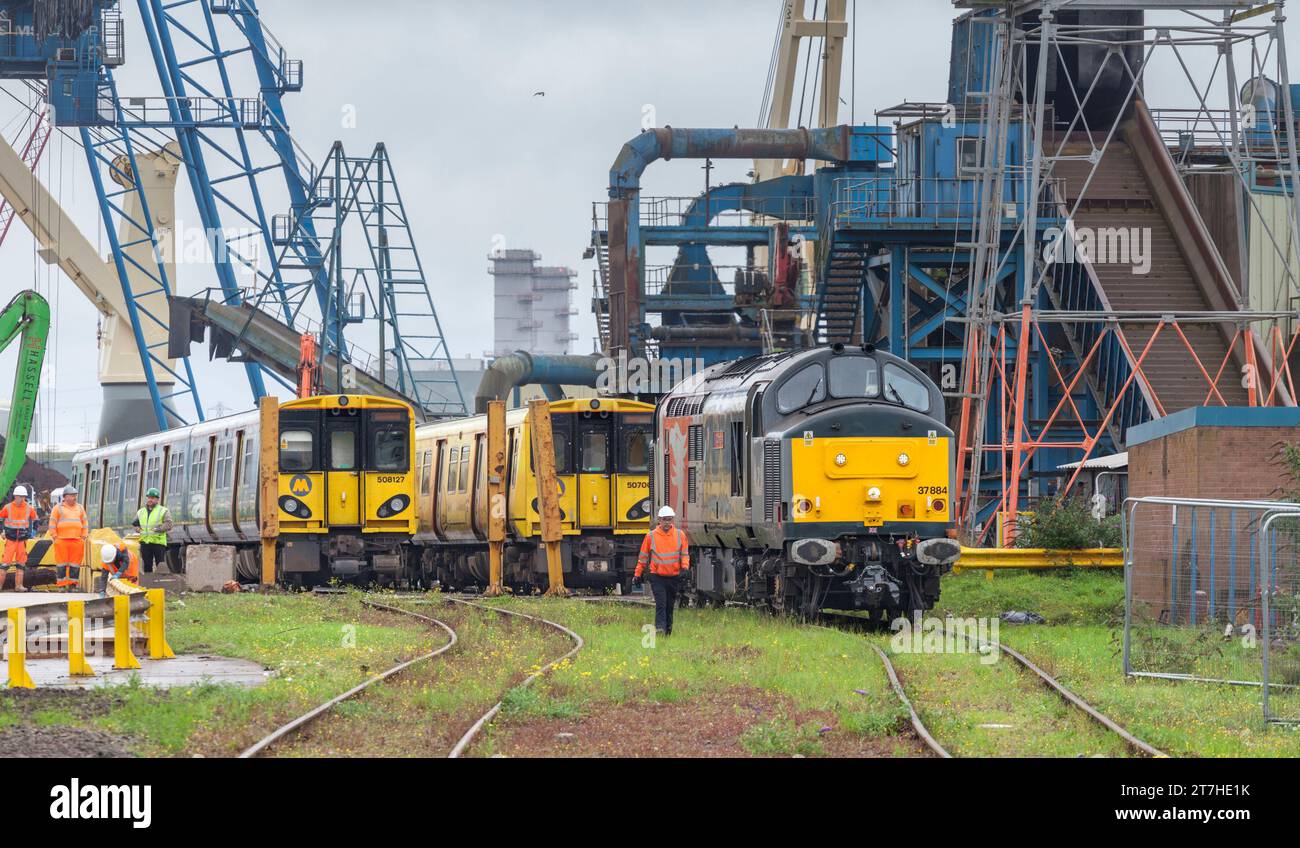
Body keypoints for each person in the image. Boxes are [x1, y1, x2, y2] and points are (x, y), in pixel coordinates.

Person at [633, 505, 690, 636]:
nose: (667, 522)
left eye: (669, 519)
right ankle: (659, 629)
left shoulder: (680, 535)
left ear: (672, 520)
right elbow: (643, 557)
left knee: (670, 606)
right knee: (661, 604)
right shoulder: (651, 536)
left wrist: (685, 568)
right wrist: (637, 574)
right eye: (665, 519)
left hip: (673, 577)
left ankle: (668, 631)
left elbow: (684, 554)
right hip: (657, 577)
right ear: (659, 520)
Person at [49, 485, 89, 589]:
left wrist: (83, 536)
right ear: (65, 497)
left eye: (75, 495)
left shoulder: (80, 508)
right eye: (72, 495)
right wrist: (55, 536)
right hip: (61, 540)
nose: (74, 497)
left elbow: (85, 523)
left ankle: (73, 585)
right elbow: (52, 523)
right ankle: (62, 585)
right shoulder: (57, 508)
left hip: (77, 541)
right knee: (61, 564)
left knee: (75, 564)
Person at [0, 485, 35, 592]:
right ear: (15, 496)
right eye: (19, 496)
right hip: (10, 539)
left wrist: (32, 532)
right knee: (5, 563)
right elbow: (0, 519)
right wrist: (2, 531)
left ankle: (18, 586)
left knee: (21, 564)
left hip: (22, 540)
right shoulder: (8, 507)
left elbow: (35, 520)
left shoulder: (29, 508)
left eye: (23, 497)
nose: (21, 499)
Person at [132, 487, 172, 574]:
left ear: (157, 499)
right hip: (145, 543)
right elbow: (135, 523)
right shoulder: (141, 511)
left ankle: (159, 583)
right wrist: (137, 529)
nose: (150, 500)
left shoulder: (163, 510)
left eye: (152, 498)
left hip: (158, 543)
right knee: (147, 566)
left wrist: (159, 529)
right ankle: (148, 585)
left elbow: (169, 524)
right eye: (149, 497)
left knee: (160, 565)